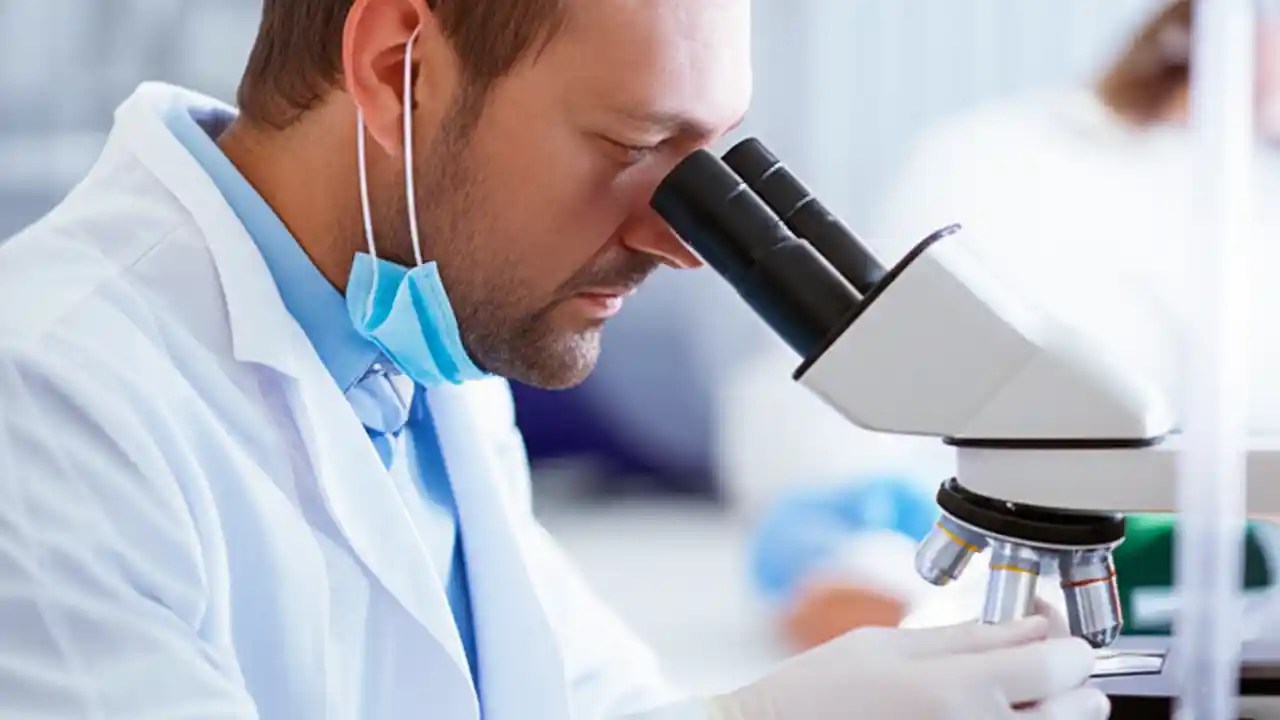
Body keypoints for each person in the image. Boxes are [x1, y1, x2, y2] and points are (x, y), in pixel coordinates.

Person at [0, 0, 1105, 717]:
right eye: (634, 145)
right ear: (394, 70)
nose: (681, 241)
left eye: (707, 162)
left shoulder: (424, 352)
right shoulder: (45, 398)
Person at [742, 0, 1280, 649]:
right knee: (872, 564)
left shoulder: (1247, 186)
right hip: (915, 475)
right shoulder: (1005, 153)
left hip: (1126, 496)